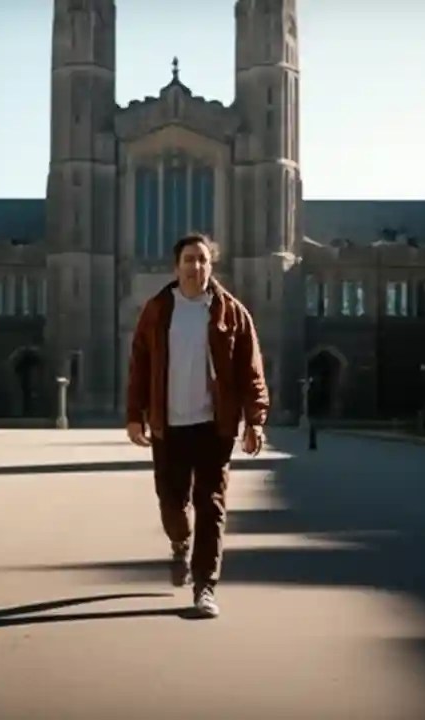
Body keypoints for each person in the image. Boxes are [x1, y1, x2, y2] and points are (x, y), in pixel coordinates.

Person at [125, 233, 270, 620]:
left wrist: (255, 420)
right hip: (168, 425)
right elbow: (139, 364)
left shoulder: (232, 312)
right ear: (177, 267)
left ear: (212, 265)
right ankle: (179, 540)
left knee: (211, 505)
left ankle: (205, 585)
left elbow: (250, 371)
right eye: (189, 260)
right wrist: (134, 414)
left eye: (203, 260)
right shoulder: (157, 310)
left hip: (213, 425)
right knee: (172, 502)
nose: (196, 267)